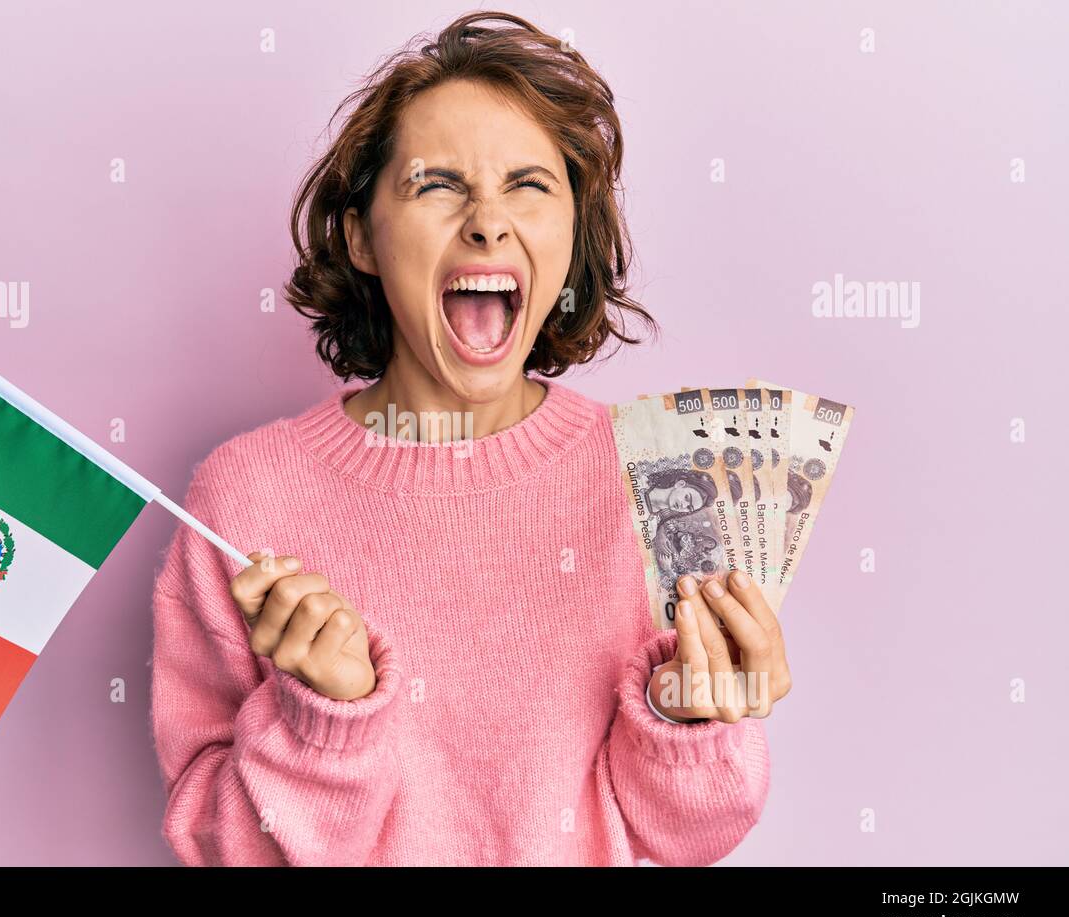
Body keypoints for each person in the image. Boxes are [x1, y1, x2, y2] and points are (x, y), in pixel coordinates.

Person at [150, 11, 789, 867]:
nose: (488, 222)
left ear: (571, 237)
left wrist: (690, 718)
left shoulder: (659, 481)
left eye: (530, 185)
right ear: (360, 238)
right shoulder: (246, 493)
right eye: (436, 184)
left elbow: (688, 833)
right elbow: (212, 845)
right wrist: (322, 723)